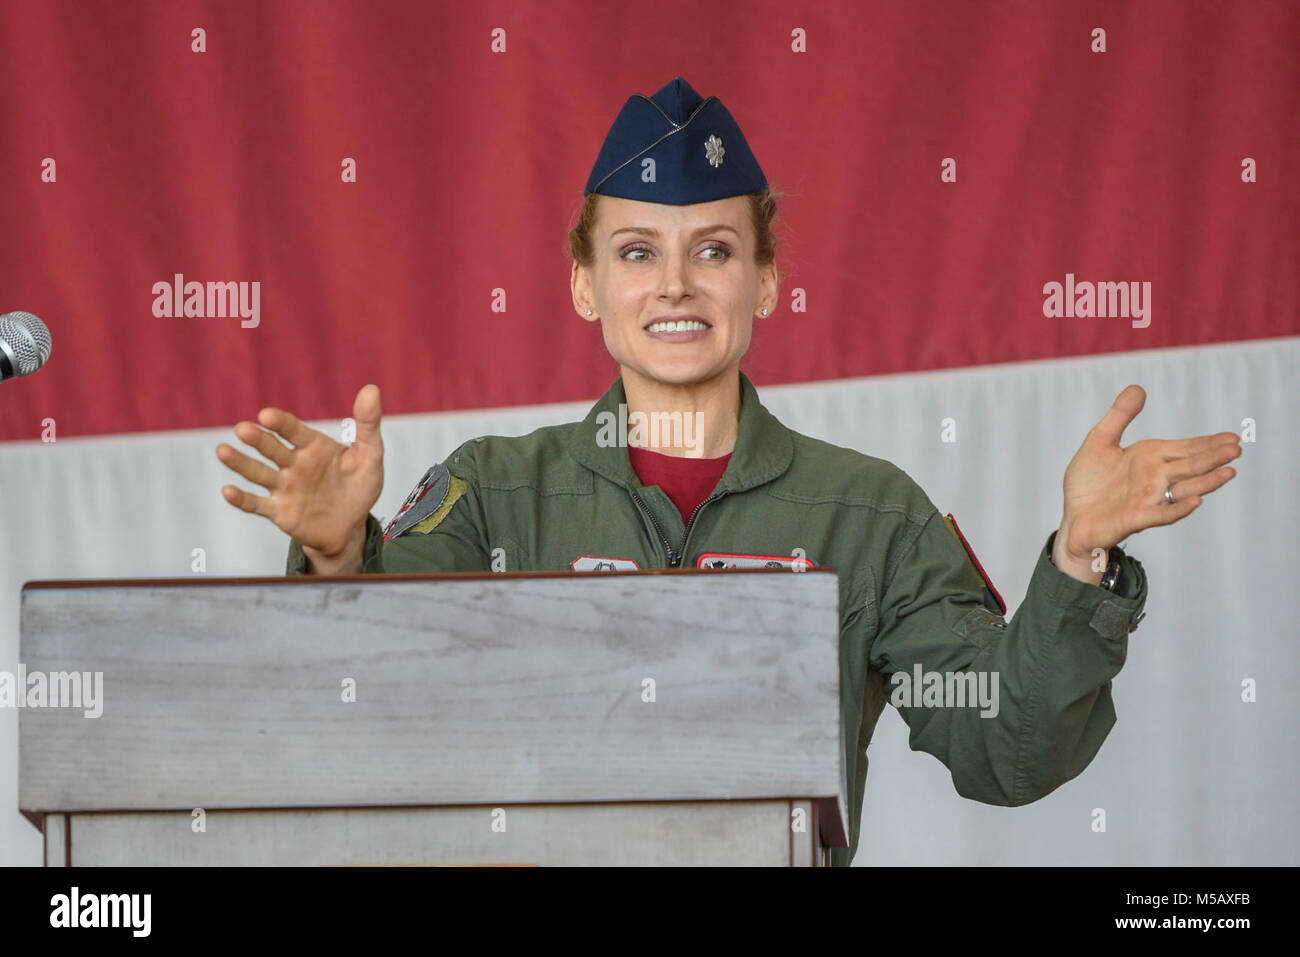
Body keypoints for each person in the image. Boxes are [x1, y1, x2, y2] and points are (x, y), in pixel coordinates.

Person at [215, 76, 1242, 866]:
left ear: (764, 281)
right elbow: (363, 712)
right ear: (583, 284)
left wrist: (1077, 562)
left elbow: (1005, 753)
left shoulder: (871, 514)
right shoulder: (493, 493)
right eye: (634, 252)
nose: (672, 283)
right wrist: (340, 555)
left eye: (711, 250)